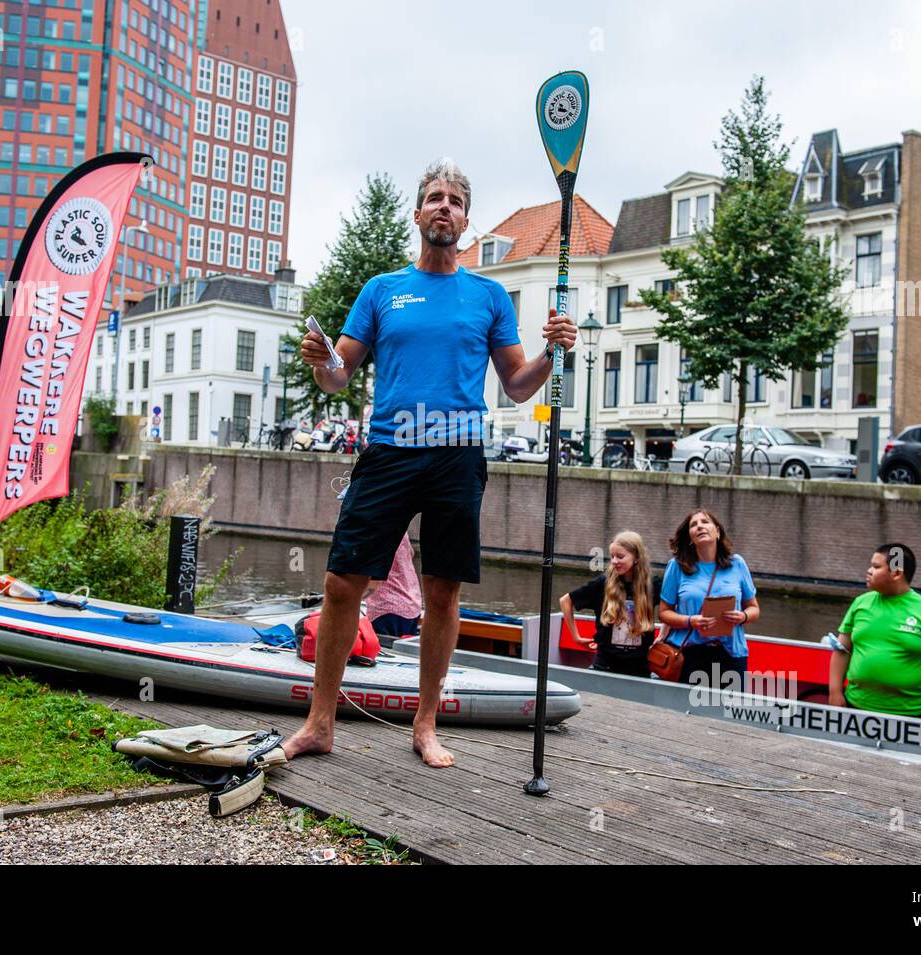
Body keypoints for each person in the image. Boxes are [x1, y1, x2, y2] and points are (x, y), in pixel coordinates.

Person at [283, 158, 578, 767]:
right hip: (389, 450)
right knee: (343, 582)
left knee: (442, 593)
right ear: (418, 214)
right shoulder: (381, 290)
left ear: (466, 221)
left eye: (455, 200)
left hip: (457, 456)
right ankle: (320, 722)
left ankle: (425, 724)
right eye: (435, 198)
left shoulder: (489, 296)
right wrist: (319, 360)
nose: (445, 206)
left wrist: (554, 352)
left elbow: (519, 385)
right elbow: (340, 376)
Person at [829, 543, 921, 719]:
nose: (869, 571)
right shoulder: (860, 603)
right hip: (855, 706)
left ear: (896, 573)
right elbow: (842, 649)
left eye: (876, 566)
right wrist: (835, 691)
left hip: (911, 713)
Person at [656, 510, 759, 690]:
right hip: (689, 654)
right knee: (686, 713)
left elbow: (754, 608)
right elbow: (664, 613)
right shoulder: (677, 566)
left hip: (731, 654)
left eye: (705, 522)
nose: (700, 526)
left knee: (728, 715)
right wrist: (690, 621)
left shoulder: (737, 564)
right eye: (694, 525)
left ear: (717, 532)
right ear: (689, 537)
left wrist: (742, 616)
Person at [558, 531, 660, 677]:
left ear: (636, 557)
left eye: (620, 556)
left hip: (640, 667)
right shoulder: (602, 583)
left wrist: (662, 637)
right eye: (612, 556)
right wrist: (576, 637)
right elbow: (565, 601)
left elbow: (672, 606)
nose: (614, 561)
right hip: (605, 665)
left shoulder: (653, 585)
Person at [365, 534, 422, 638]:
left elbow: (372, 579)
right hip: (412, 605)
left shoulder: (372, 527)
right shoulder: (400, 528)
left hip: (385, 609)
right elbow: (411, 553)